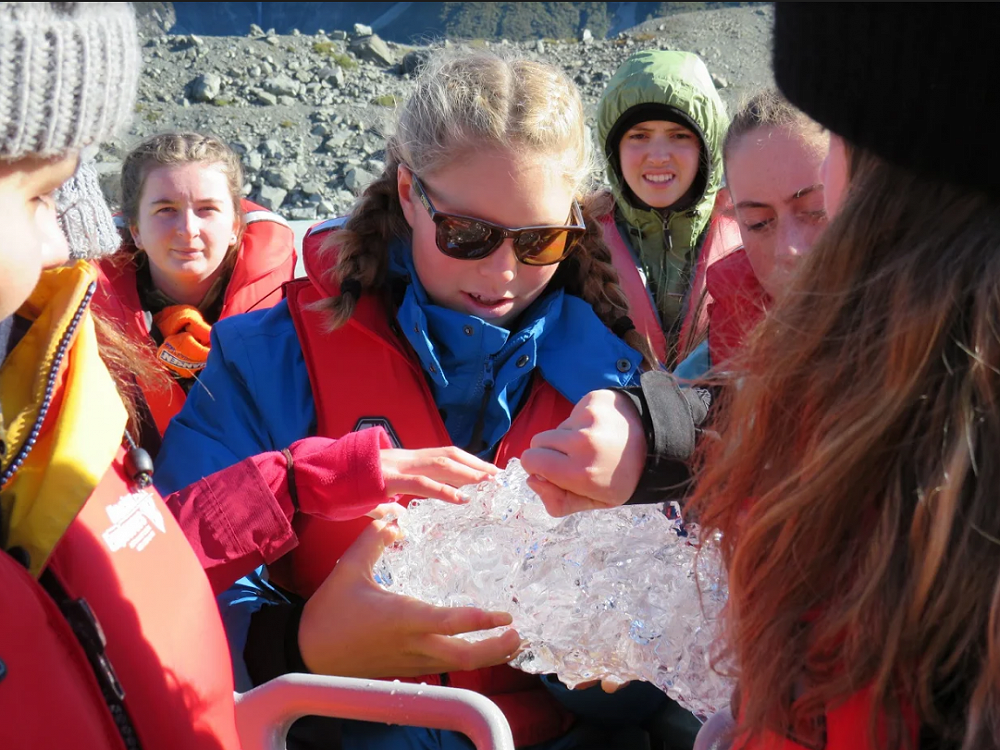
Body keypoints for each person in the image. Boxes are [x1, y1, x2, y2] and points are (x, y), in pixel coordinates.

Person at [155, 49, 658, 749]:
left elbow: (672, 665)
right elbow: (163, 583)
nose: (502, 272)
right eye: (468, 234)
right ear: (408, 195)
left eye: (539, 240)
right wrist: (296, 649)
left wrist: (609, 651)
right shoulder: (267, 360)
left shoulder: (624, 393)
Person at [533, 4, 1000, 748]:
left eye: (821, 192)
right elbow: (770, 401)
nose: (792, 248)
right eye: (757, 221)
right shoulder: (910, 358)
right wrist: (655, 425)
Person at [0, 4, 242, 747]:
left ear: (241, 218)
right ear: (132, 224)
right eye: (39, 193)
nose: (59, 239)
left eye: (208, 208)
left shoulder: (287, 334)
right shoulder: (71, 344)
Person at [94, 132, 296, 444]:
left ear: (234, 227)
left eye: (206, 209)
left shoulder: (288, 311)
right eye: (166, 210)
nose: (188, 229)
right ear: (136, 231)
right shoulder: (91, 319)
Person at [595, 49, 738, 365]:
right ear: (613, 149)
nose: (658, 155)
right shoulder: (581, 242)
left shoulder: (751, 234)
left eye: (678, 135)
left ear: (706, 147)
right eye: (639, 135)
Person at [673, 89, 828, 379]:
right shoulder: (707, 375)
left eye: (817, 210)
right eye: (758, 223)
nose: (789, 249)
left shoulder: (930, 339)